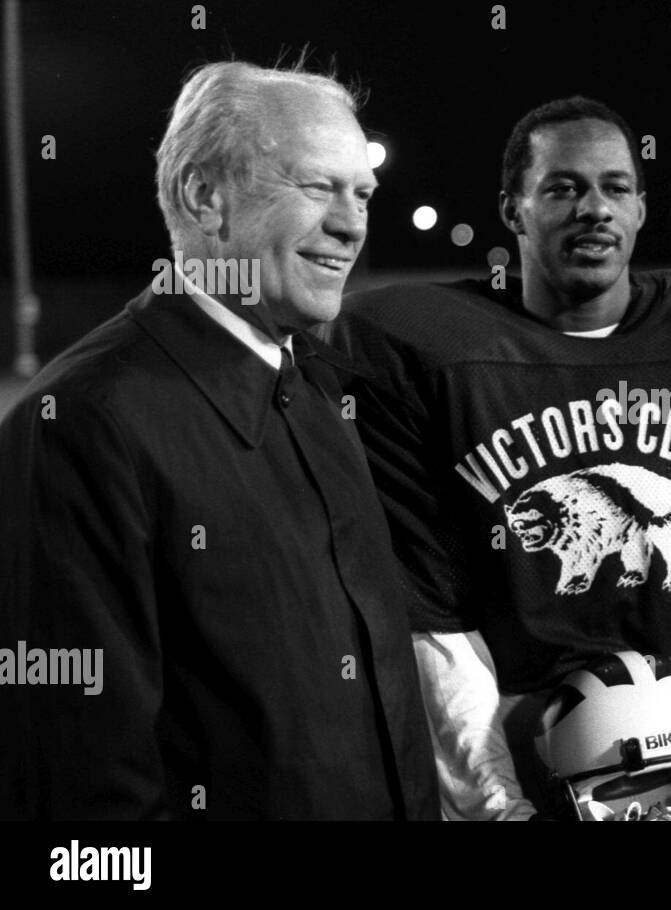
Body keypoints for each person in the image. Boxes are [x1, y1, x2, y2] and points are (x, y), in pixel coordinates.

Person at [329, 96, 671, 820]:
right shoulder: (419, 348)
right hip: (528, 741)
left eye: (615, 187)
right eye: (563, 187)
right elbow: (434, 622)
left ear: (640, 208)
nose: (593, 209)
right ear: (513, 209)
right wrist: (499, 802)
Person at [0, 61, 439, 820]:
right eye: (316, 187)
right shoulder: (80, 423)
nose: (352, 224)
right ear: (205, 198)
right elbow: (79, 798)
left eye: (361, 192)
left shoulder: (326, 390)